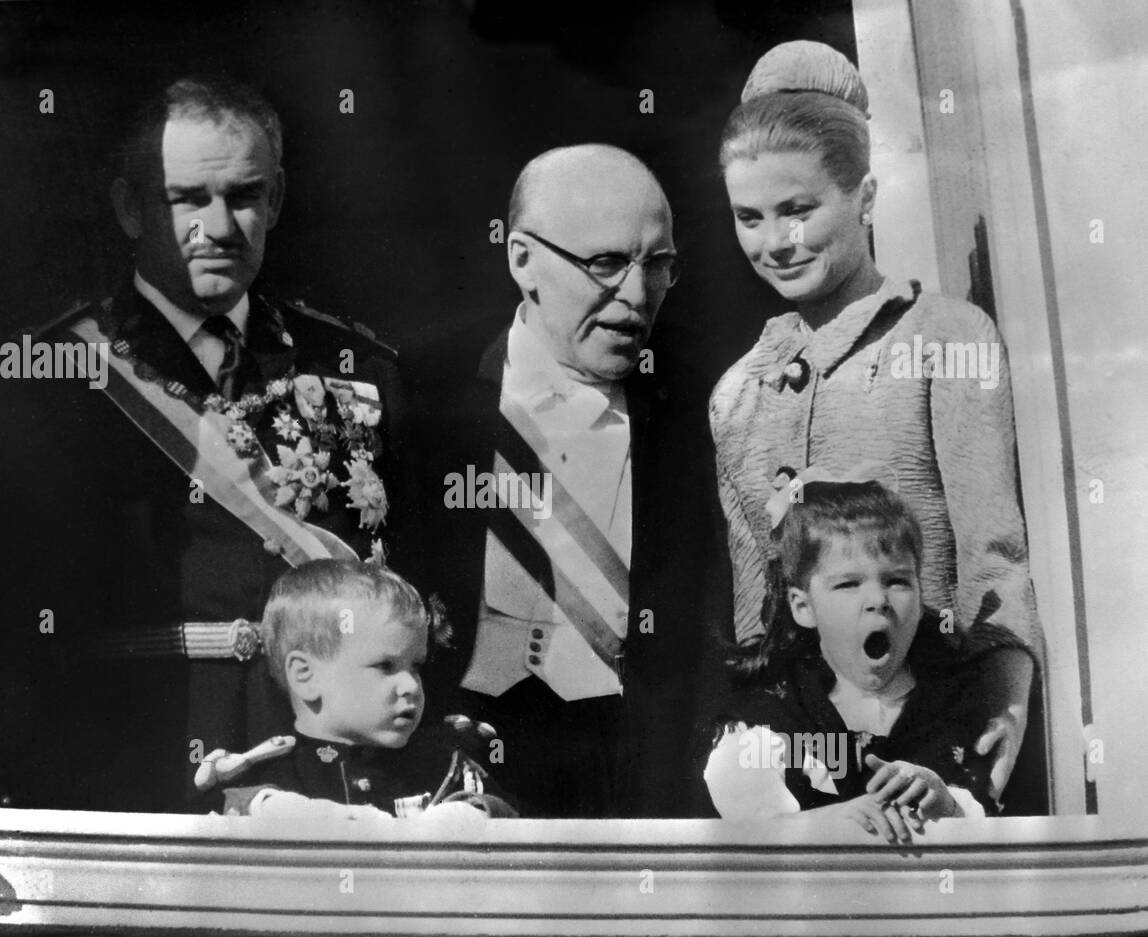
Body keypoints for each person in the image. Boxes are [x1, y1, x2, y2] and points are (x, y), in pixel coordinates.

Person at [0, 75, 406, 812]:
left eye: (244, 196)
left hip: (325, 776)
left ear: (277, 199)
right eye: (186, 199)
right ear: (129, 207)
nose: (218, 226)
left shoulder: (354, 366)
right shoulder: (45, 382)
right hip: (135, 765)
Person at [708, 41, 1044, 811]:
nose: (775, 242)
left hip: (931, 741)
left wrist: (985, 749)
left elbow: (995, 563)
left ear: (864, 195)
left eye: (798, 210)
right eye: (748, 217)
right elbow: (757, 620)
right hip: (806, 777)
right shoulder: (736, 395)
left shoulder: (948, 339)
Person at [407, 144, 723, 818]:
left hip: (635, 784)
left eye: (659, 265)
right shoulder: (425, 393)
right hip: (462, 775)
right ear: (523, 260)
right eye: (606, 263)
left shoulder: (695, 408)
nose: (637, 296)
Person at [700, 474, 997, 843]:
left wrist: (947, 807)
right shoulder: (775, 716)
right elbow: (747, 824)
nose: (878, 600)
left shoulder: (951, 701)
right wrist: (829, 822)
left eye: (897, 581)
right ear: (804, 607)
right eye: (848, 584)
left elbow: (989, 822)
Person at [193, 560, 515, 819]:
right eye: (385, 666)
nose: (410, 685)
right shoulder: (267, 780)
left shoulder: (444, 766)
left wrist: (468, 817)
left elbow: (510, 821)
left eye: (416, 666)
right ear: (306, 676)